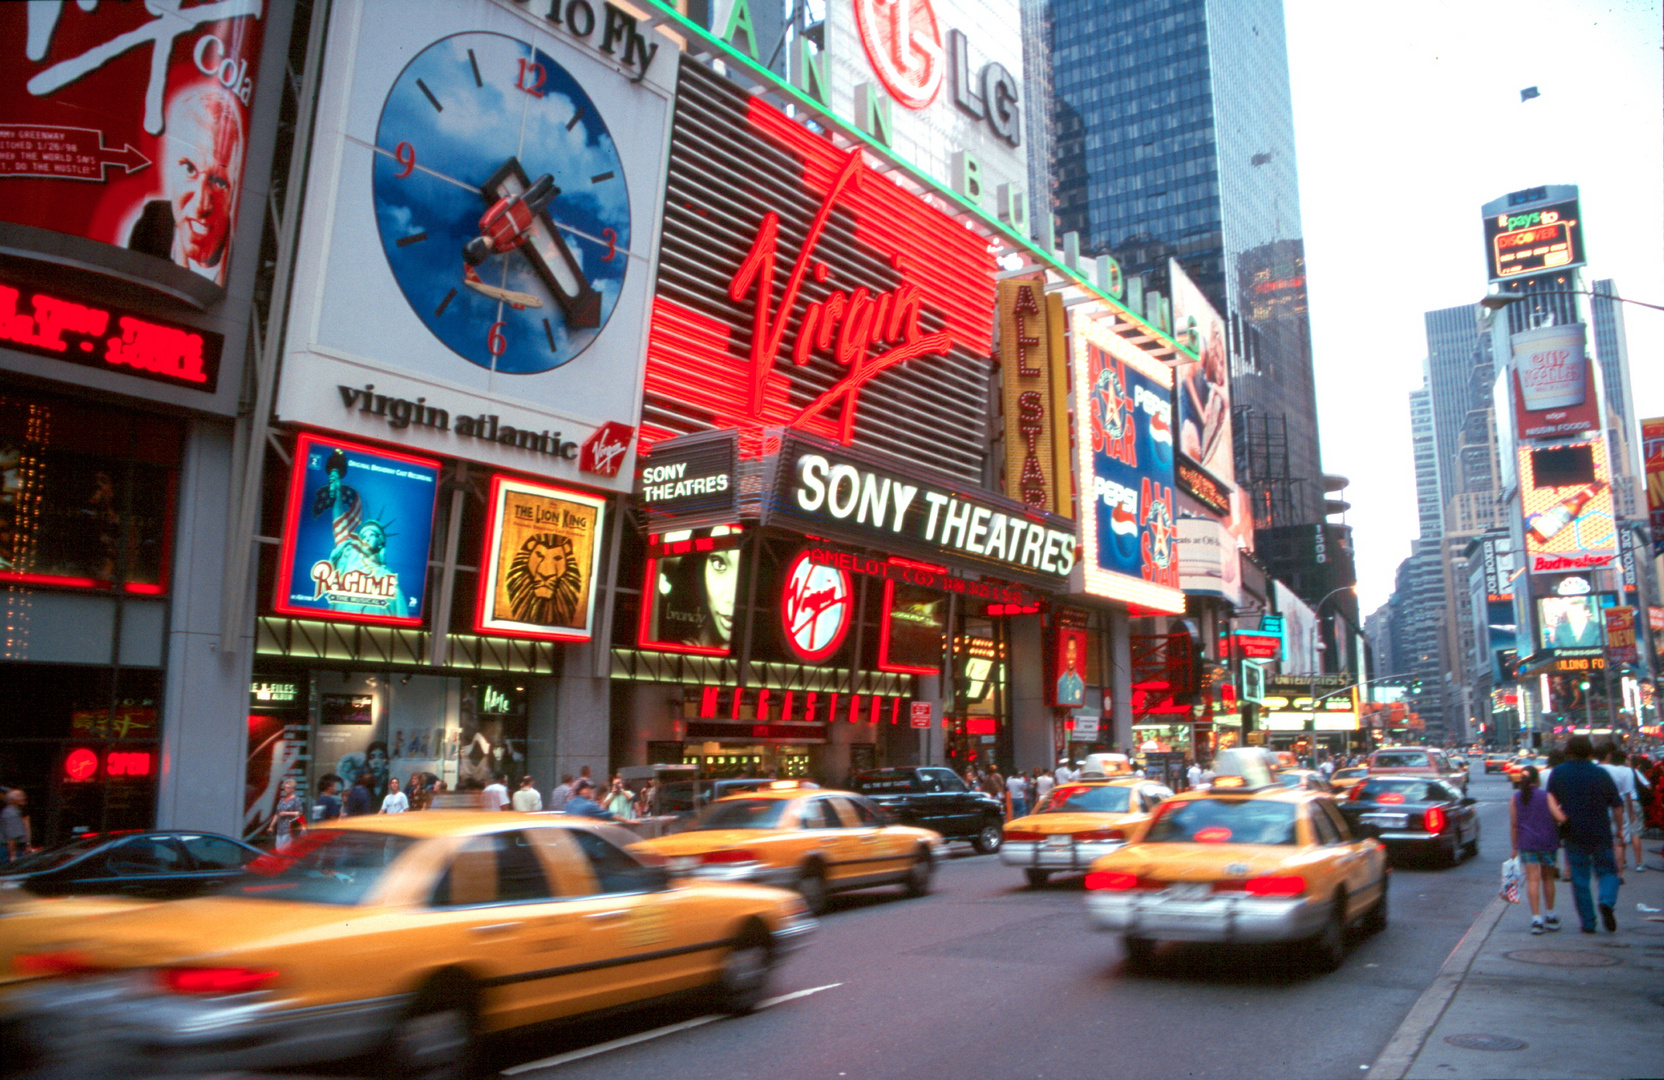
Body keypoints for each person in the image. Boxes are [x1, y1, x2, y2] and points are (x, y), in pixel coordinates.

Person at [127, 83, 244, 286]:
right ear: (169, 169)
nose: (201, 205)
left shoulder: (240, 258)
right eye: (190, 169)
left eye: (218, 181)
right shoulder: (150, 224)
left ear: (234, 188)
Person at [1546, 736, 1625, 934]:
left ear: (1569, 752)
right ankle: (1606, 901)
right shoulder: (1601, 773)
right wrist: (1620, 830)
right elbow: (1617, 805)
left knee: (1580, 878)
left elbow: (1550, 800)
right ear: (1590, 752)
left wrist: (1561, 819)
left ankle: (1588, 922)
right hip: (1600, 831)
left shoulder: (1559, 773)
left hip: (1573, 831)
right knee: (1608, 871)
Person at [1510, 765, 1561, 934]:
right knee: (1548, 879)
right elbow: (1560, 817)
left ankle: (1536, 920)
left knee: (1533, 880)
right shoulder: (1546, 796)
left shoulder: (1515, 798)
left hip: (1526, 842)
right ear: (1537, 780)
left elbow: (1514, 825)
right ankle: (1551, 916)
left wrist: (1514, 847)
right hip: (1547, 841)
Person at [1600, 748, 1646, 874]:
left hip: (1609, 804)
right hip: (1627, 803)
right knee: (1631, 833)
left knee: (1614, 836)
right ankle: (1638, 863)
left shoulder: (1607, 770)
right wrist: (1630, 811)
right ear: (1625, 759)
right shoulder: (1629, 771)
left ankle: (1621, 862)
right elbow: (1628, 793)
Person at [267, 778, 306, 847]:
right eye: (285, 787)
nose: (286, 789)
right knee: (278, 850)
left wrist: (286, 813)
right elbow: (277, 814)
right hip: (280, 829)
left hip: (289, 828)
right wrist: (271, 826)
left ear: (292, 789)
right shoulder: (282, 800)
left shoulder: (296, 799)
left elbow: (300, 813)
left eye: (288, 787)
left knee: (286, 850)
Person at [2, 788, 32, 864]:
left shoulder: (16, 812)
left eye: (23, 795)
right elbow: (11, 837)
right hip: (10, 850)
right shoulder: (11, 814)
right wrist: (12, 855)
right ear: (12, 800)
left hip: (15, 849)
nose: (23, 798)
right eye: (19, 796)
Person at [1055, 634, 1085, 707]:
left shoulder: (1080, 685)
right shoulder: (1059, 683)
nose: (1071, 655)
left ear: (1076, 654)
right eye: (1069, 651)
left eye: (1073, 651)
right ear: (1066, 653)